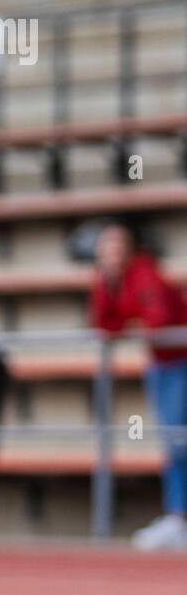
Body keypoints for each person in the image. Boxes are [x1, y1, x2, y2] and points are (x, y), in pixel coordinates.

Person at [89, 221, 187, 550]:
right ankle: (178, 517)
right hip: (162, 364)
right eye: (106, 247)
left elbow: (158, 319)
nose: (112, 254)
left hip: (179, 361)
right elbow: (104, 323)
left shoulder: (144, 273)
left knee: (178, 440)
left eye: (118, 246)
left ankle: (179, 517)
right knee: (173, 440)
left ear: (129, 249)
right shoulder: (109, 280)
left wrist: (133, 322)